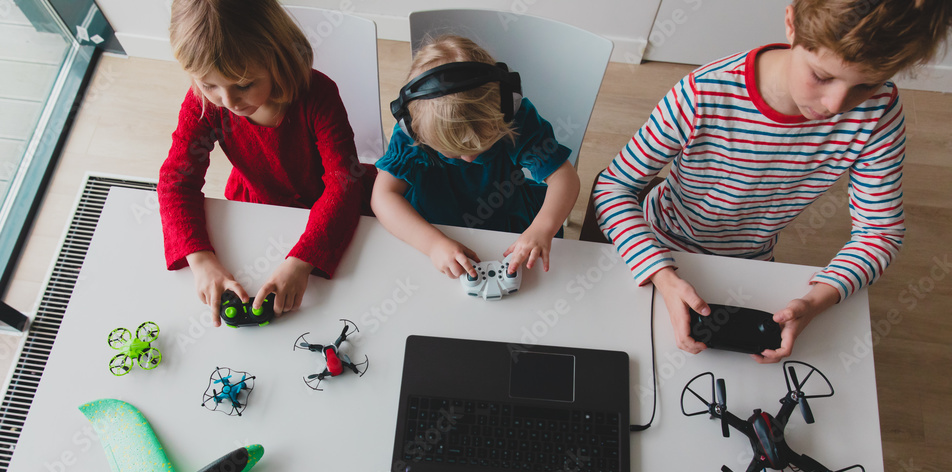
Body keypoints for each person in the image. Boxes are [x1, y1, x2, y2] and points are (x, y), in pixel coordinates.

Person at [593, 0, 952, 362]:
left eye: (866, 85)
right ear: (792, 22)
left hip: (753, 261)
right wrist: (661, 274)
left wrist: (817, 300)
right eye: (822, 76)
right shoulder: (703, 92)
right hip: (657, 244)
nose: (836, 104)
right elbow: (613, 187)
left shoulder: (879, 113)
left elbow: (880, 232)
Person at [159, 0, 375, 326]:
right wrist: (201, 259)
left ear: (277, 56)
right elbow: (176, 181)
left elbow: (343, 182)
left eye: (243, 85)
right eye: (209, 84)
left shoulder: (319, 94)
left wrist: (302, 261)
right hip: (256, 205)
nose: (228, 102)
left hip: (333, 209)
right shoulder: (204, 105)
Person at [371, 35, 580, 278]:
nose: (469, 158)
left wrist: (542, 228)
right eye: (452, 151)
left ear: (505, 108)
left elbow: (564, 177)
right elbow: (382, 196)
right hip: (430, 227)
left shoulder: (515, 116)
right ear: (415, 130)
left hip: (506, 223)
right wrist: (433, 244)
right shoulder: (414, 132)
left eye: (483, 145)